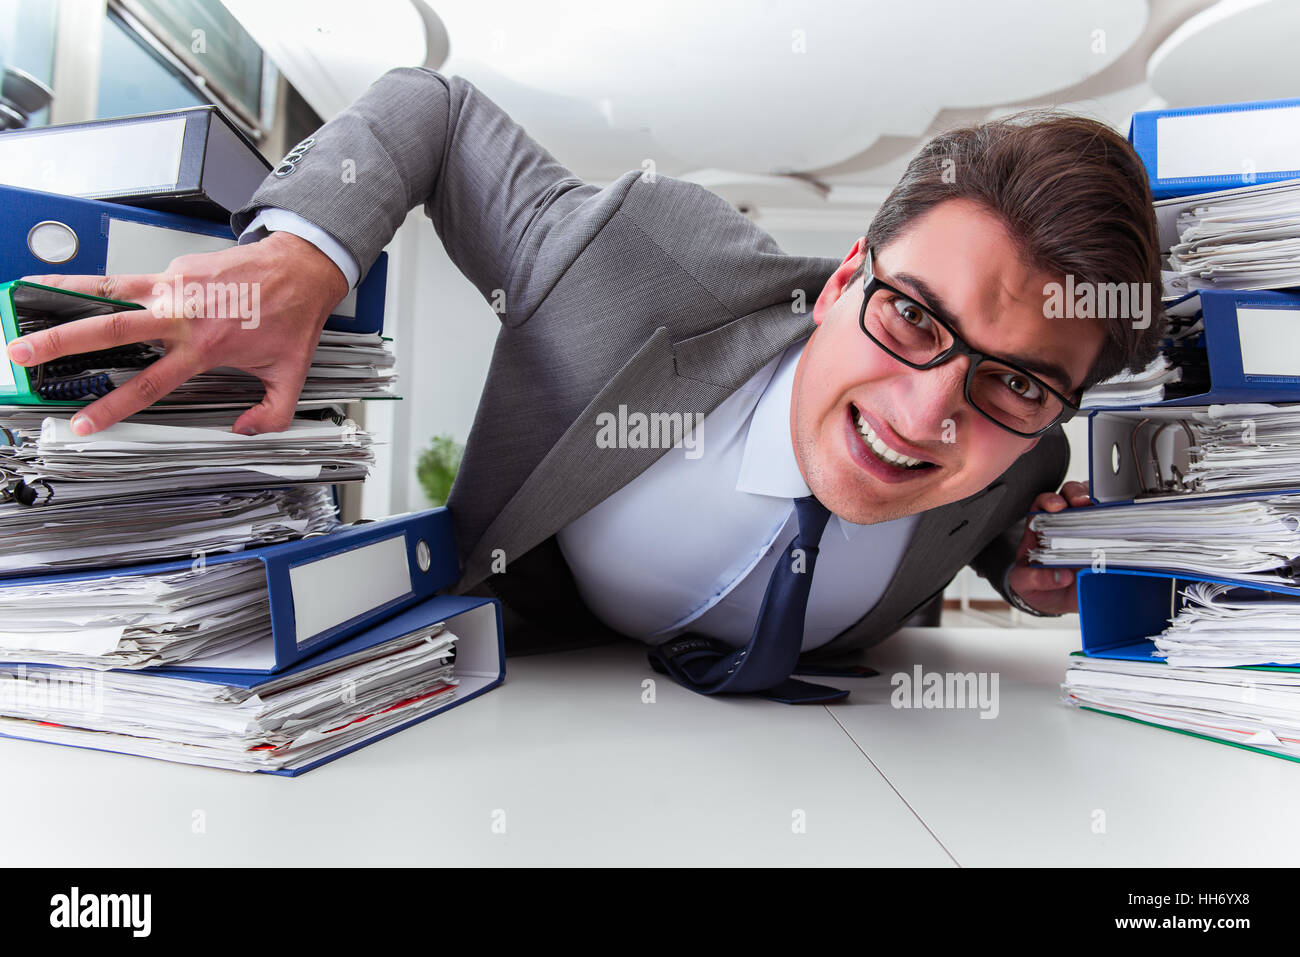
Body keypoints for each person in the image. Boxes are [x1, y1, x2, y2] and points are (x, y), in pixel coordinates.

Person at [6, 69, 1163, 700]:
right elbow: (435, 111)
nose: (925, 414)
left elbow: (1003, 532)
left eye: (1013, 384)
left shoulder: (1027, 461)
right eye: (912, 316)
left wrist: (1028, 579)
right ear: (845, 277)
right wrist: (303, 252)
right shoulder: (635, 266)